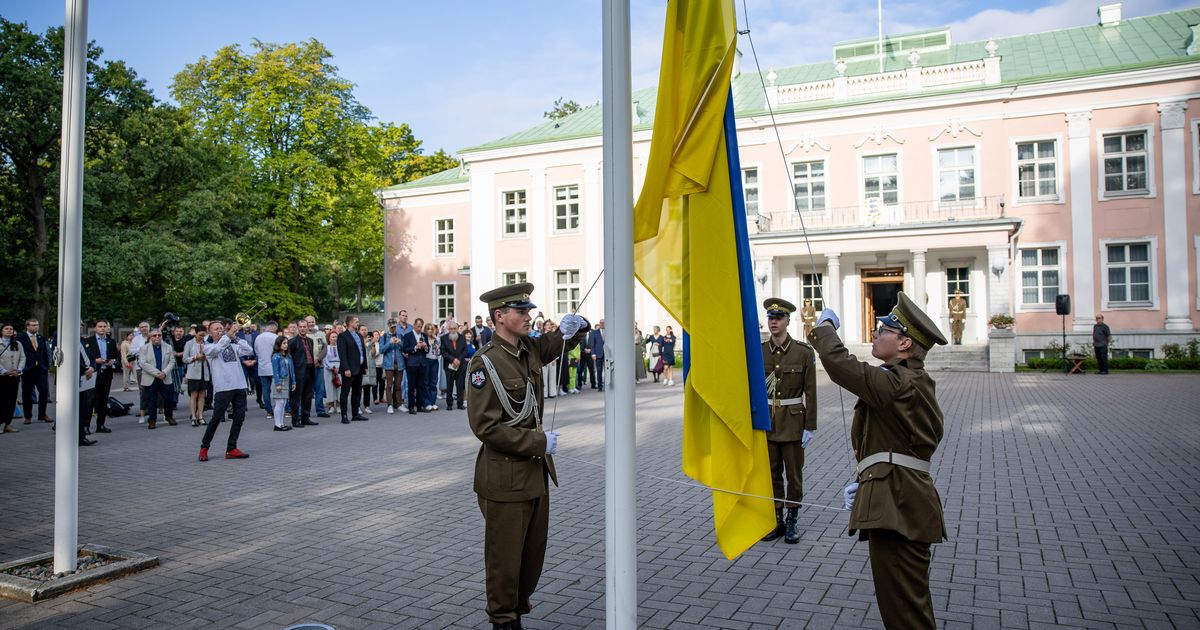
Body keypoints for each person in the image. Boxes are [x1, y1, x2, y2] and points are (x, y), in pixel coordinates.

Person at [809, 292, 947, 629]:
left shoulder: (901, 382)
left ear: (903, 343)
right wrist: (867, 479)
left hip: (900, 506)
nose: (875, 332)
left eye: (883, 329)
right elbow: (892, 442)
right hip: (897, 499)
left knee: (905, 614)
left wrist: (825, 328)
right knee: (902, 606)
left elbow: (844, 367)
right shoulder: (905, 380)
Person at [466, 283, 589, 629]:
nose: (529, 316)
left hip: (535, 476)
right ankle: (504, 620)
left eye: (529, 310)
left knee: (531, 556)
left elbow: (565, 340)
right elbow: (485, 428)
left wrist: (577, 325)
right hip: (504, 478)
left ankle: (517, 610)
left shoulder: (529, 349)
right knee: (505, 558)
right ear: (499, 317)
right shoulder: (484, 364)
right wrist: (538, 443)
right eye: (521, 311)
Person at [757, 298, 817, 545]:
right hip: (768, 422)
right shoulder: (759, 351)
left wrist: (810, 425)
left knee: (793, 475)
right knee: (771, 474)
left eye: (778, 318)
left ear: (788, 321)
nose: (774, 322)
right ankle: (777, 519)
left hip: (793, 424)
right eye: (771, 318)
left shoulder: (803, 352)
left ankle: (792, 519)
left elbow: (811, 392)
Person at [198, 319, 255, 462]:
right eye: (216, 329)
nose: (220, 330)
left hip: (239, 384)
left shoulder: (231, 342)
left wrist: (235, 337)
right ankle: (204, 447)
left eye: (221, 328)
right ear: (210, 332)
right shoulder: (208, 346)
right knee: (216, 418)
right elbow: (217, 349)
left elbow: (249, 350)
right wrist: (228, 336)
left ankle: (231, 448)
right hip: (223, 387)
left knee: (239, 417)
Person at [85, 319, 121, 433]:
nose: (102, 328)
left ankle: (100, 425)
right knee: (90, 400)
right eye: (100, 326)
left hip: (107, 374)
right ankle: (86, 425)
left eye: (104, 326)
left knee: (103, 401)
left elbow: (116, 356)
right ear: (95, 328)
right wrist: (96, 361)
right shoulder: (89, 341)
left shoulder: (111, 341)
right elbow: (85, 357)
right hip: (94, 374)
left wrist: (113, 361)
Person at [136, 329, 177, 429]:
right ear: (150, 337)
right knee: (151, 400)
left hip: (165, 377)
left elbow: (172, 361)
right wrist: (157, 373)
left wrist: (164, 372)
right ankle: (152, 420)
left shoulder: (168, 347)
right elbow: (143, 363)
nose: (157, 337)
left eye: (159, 335)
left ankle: (169, 416)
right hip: (151, 377)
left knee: (168, 399)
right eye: (154, 335)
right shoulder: (144, 348)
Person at [16, 318, 51, 424]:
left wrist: (46, 366)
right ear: (27, 326)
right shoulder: (21, 337)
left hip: (40, 369)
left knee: (44, 391)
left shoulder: (41, 338)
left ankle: (42, 414)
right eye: (33, 325)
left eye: (37, 325)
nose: (36, 327)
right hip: (28, 369)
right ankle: (28, 416)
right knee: (27, 393)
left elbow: (45, 352)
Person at [335, 316, 368, 424]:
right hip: (349, 369)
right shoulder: (342, 336)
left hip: (359, 368)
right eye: (356, 322)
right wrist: (346, 368)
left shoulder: (358, 335)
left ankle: (355, 414)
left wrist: (365, 366)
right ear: (349, 323)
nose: (358, 323)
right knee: (345, 392)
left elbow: (362, 351)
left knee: (357, 392)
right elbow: (342, 354)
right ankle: (344, 415)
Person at [288, 319, 319, 429]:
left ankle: (306, 418)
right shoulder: (292, 342)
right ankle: (295, 420)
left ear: (307, 327)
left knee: (308, 396)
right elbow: (288, 358)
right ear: (297, 328)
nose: (303, 329)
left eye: (304, 327)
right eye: (300, 327)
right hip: (298, 372)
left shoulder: (310, 340)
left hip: (310, 370)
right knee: (296, 397)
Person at [0, 323, 26, 433]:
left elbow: (23, 357)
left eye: (11, 329)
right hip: (2, 376)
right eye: (6, 329)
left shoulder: (17, 344)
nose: (9, 330)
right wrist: (4, 371)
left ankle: (8, 424)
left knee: (11, 400)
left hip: (14, 376)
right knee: (1, 400)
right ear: (1, 331)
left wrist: (19, 370)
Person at [401, 318, 430, 415]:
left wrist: (425, 347)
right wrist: (415, 347)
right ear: (414, 325)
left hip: (422, 363)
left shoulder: (424, 335)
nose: (419, 328)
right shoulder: (408, 336)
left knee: (421, 386)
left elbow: (428, 349)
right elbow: (404, 348)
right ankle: (411, 407)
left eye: (421, 326)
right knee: (411, 386)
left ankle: (420, 405)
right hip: (412, 364)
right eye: (418, 326)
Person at [183, 326, 209, 426]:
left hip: (204, 371)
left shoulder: (207, 343)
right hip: (193, 372)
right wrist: (195, 357)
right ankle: (193, 416)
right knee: (194, 395)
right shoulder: (189, 343)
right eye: (200, 335)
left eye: (204, 335)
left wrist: (206, 357)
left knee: (202, 394)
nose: (202, 337)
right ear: (196, 333)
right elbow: (185, 359)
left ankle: (200, 416)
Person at [306, 315, 331, 418]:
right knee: (307, 390)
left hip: (319, 365)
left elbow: (325, 348)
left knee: (319, 389)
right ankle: (305, 412)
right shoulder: (303, 335)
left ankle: (320, 410)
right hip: (307, 366)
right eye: (309, 322)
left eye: (313, 322)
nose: (311, 323)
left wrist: (319, 359)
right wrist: (312, 360)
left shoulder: (321, 334)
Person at [440, 320, 469, 410]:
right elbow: (443, 352)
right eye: (451, 329)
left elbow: (465, 350)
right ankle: (449, 404)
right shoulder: (444, 338)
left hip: (460, 365)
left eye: (454, 328)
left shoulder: (462, 337)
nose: (453, 330)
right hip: (449, 365)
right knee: (449, 386)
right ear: (448, 329)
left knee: (460, 386)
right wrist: (453, 360)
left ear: (457, 329)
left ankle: (460, 404)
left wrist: (459, 360)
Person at [269, 335, 295, 431]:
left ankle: (282, 423)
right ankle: (277, 424)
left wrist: (293, 382)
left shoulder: (288, 356)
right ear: (278, 344)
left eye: (287, 343)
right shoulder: (276, 356)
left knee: (283, 403)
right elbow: (275, 371)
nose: (286, 345)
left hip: (287, 381)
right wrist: (277, 383)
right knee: (279, 403)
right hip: (280, 381)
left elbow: (291, 370)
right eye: (284, 343)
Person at [380, 317, 406, 413]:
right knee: (389, 385)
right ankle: (389, 405)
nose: (393, 329)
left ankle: (399, 404)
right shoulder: (384, 336)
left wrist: (400, 343)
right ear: (388, 326)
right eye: (391, 327)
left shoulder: (400, 335)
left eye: (394, 327)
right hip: (388, 364)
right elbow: (381, 350)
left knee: (398, 385)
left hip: (399, 363)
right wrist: (389, 343)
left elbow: (404, 348)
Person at [76, 340, 99, 446]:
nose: (80, 327)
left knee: (83, 408)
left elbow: (90, 356)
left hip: (85, 378)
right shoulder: (65, 338)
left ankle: (81, 436)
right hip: (75, 377)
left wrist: (92, 367)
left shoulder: (83, 341)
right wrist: (84, 369)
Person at [254, 321, 279, 413]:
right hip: (273, 367)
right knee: (276, 389)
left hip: (262, 367)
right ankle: (277, 408)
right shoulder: (275, 337)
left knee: (265, 389)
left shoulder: (258, 338)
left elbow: (256, 352)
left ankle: (268, 409)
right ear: (273, 327)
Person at [324, 328, 342, 418]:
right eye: (333, 337)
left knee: (338, 386)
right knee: (330, 387)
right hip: (329, 368)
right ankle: (331, 405)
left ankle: (338, 405)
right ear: (329, 338)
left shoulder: (340, 347)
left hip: (339, 367)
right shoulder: (326, 347)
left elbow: (343, 357)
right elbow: (325, 359)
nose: (334, 338)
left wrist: (339, 367)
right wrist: (331, 367)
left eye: (336, 336)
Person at [169, 325, 189, 407]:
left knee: (177, 384)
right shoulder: (170, 339)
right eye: (177, 331)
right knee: (169, 384)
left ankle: (174, 402)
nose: (178, 333)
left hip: (180, 365)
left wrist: (177, 354)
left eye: (180, 331)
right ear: (174, 332)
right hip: (169, 365)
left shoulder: (185, 341)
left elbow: (186, 352)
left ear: (183, 332)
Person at [423, 323, 441, 411]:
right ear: (425, 330)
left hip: (434, 361)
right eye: (428, 329)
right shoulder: (423, 339)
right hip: (426, 361)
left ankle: (433, 402)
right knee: (426, 382)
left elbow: (438, 353)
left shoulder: (437, 339)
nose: (430, 330)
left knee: (434, 382)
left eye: (431, 329)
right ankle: (427, 402)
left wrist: (438, 351)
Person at [360, 327, 378, 414]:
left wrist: (373, 344)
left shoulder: (370, 342)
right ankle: (357, 406)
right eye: (362, 330)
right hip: (360, 366)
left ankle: (367, 406)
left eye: (365, 330)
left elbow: (373, 354)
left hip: (369, 366)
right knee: (358, 388)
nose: (364, 331)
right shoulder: (358, 341)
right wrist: (365, 342)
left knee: (367, 388)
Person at [586, 319, 606, 391]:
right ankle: (600, 386)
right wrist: (593, 354)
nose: (602, 324)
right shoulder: (595, 332)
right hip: (598, 354)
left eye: (603, 323)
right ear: (599, 323)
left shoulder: (609, 332)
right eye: (601, 323)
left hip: (607, 354)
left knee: (608, 371)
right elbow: (592, 344)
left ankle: (608, 386)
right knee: (599, 370)